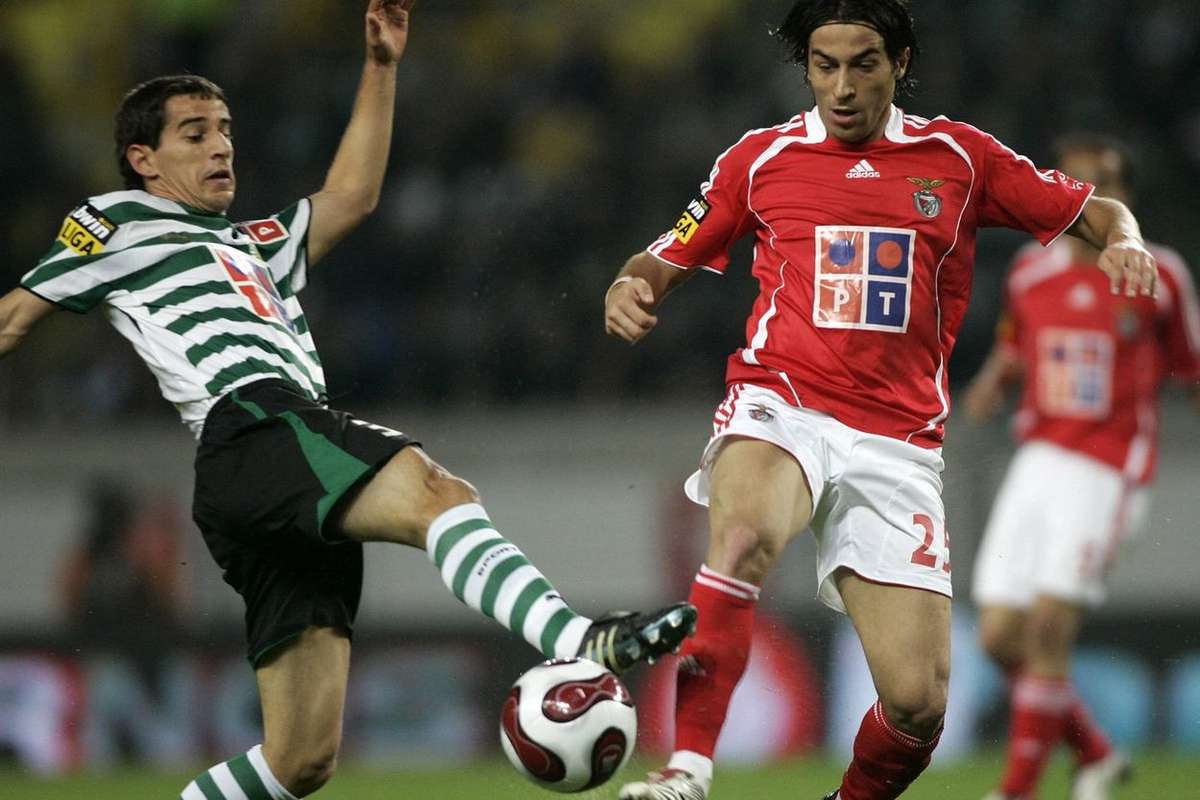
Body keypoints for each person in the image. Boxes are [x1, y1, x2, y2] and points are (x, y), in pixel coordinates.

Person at [0, 3, 696, 798]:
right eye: (194, 133)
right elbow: (14, 317)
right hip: (256, 423)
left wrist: (382, 65)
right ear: (143, 159)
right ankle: (577, 638)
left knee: (299, 761)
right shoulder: (117, 220)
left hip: (263, 473)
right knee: (438, 494)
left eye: (225, 129)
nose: (221, 145)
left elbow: (352, 195)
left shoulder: (254, 244)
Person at [603, 2, 1157, 799]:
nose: (842, 87)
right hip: (782, 402)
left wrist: (1127, 241)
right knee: (743, 537)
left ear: (899, 63)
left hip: (898, 444)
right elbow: (663, 256)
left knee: (917, 705)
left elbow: (1097, 212)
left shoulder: (960, 159)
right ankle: (685, 771)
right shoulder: (760, 159)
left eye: (862, 64)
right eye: (823, 66)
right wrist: (631, 285)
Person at [963, 133, 1200, 800]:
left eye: (1108, 184)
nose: (1094, 197)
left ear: (1127, 196)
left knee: (1047, 629)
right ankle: (1094, 752)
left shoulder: (1161, 275)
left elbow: (1191, 369)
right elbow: (1016, 343)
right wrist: (993, 379)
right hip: (1037, 459)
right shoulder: (1028, 273)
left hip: (1106, 467)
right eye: (1080, 182)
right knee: (998, 637)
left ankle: (1017, 790)